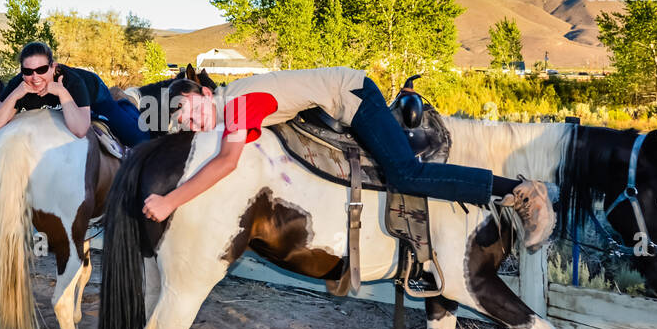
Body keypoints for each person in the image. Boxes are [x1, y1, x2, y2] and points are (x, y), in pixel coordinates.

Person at [142, 67, 555, 252]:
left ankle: (519, 191)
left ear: (200, 94)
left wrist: (170, 201)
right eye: (182, 123)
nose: (190, 122)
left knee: (406, 174)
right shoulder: (234, 101)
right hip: (343, 92)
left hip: (352, 94)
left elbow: (227, 163)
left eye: (187, 111)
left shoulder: (235, 104)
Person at [0, 41, 150, 147]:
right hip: (64, 103)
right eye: (28, 71)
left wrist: (62, 93)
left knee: (137, 140)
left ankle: (125, 105)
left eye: (41, 70)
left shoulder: (71, 82)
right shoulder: (19, 85)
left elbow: (79, 130)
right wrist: (14, 96)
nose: (35, 77)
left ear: (53, 66)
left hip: (95, 94)